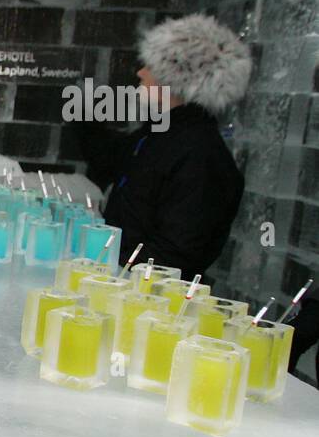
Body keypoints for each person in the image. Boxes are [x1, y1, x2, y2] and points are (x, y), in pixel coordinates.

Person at [97, 14, 250, 280]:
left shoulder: (200, 154)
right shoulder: (161, 134)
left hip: (142, 296)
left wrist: (116, 278)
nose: (140, 73)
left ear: (176, 79)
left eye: (150, 66)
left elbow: (176, 256)